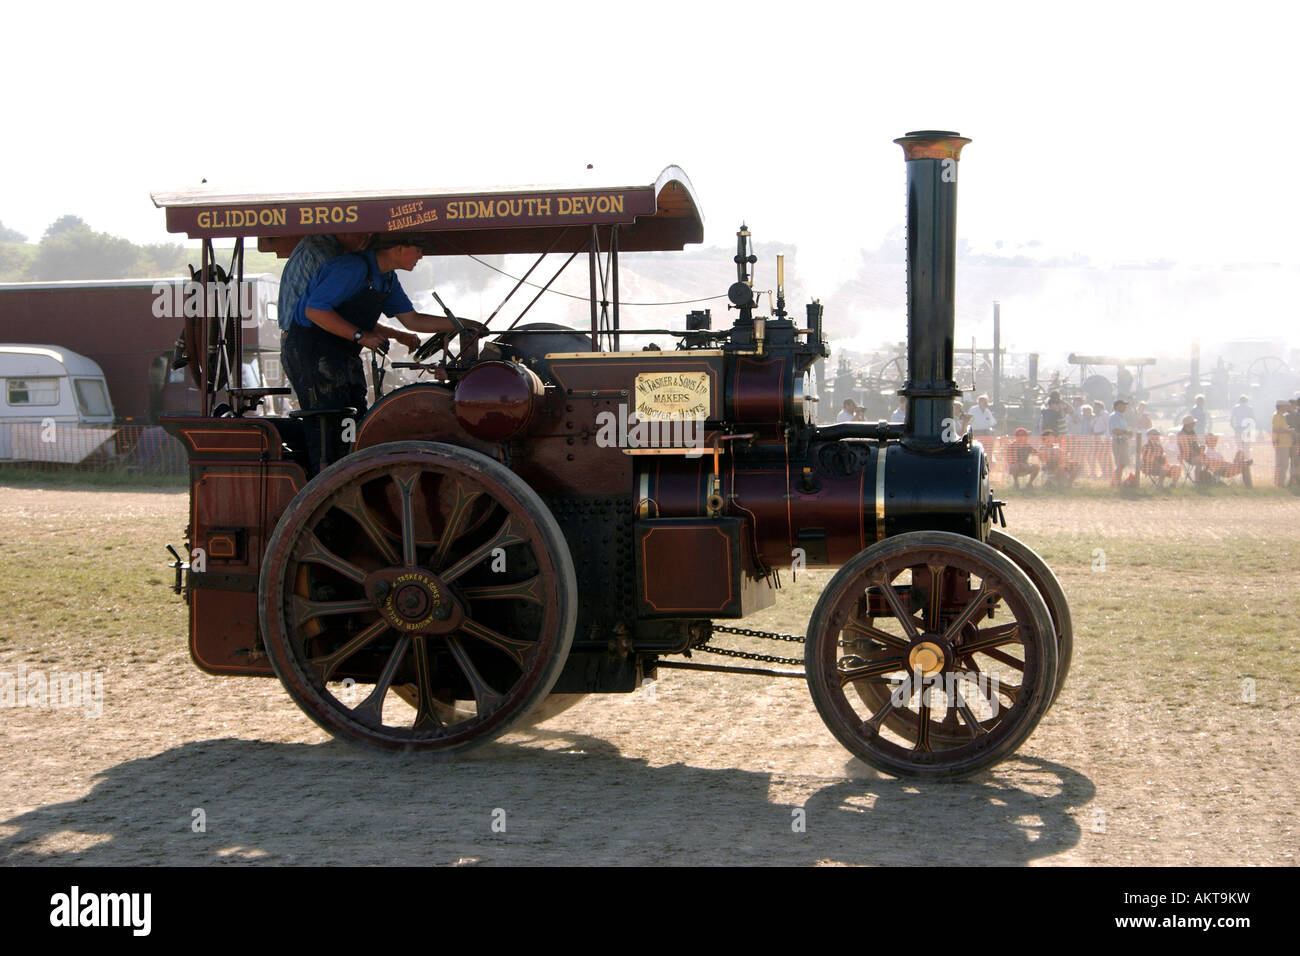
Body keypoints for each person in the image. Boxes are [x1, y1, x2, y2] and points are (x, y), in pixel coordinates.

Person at [282, 236, 486, 474]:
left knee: (355, 411)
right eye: (417, 250)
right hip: (311, 351)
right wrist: (361, 336)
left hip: (341, 353)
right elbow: (315, 310)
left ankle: (348, 471)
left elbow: (412, 320)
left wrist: (460, 323)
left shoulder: (387, 279)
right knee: (327, 417)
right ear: (398, 248)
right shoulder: (352, 268)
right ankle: (322, 477)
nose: (421, 256)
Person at [1108, 398, 1132, 487]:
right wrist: (1126, 432)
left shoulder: (1120, 416)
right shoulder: (1114, 416)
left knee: (1122, 464)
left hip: (1122, 441)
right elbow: (1114, 430)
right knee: (1120, 464)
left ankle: (1116, 482)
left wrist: (1127, 434)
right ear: (1117, 406)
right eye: (1123, 405)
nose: (1125, 407)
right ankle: (1115, 483)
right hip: (1118, 442)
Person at [1272, 400, 1292, 487]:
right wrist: (1287, 430)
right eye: (1286, 406)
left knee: (1284, 464)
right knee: (1282, 464)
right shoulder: (1277, 416)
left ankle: (1280, 483)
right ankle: (1279, 484)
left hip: (1285, 443)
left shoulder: (1282, 416)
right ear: (1281, 406)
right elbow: (1275, 429)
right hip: (1281, 443)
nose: (1288, 407)